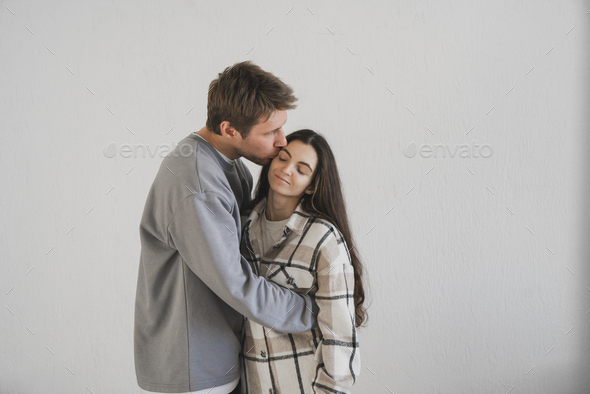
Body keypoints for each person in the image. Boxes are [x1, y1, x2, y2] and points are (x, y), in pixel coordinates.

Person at [134, 61, 318, 394]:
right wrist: (314, 310)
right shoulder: (197, 182)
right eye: (269, 133)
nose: (282, 141)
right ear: (229, 129)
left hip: (219, 357)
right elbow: (237, 284)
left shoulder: (232, 168)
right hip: (194, 370)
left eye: (282, 127)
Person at [238, 129, 367, 394]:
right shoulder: (239, 226)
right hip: (250, 384)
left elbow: (340, 334)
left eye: (301, 168)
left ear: (311, 185)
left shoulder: (324, 239)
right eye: (283, 158)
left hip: (302, 385)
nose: (286, 169)